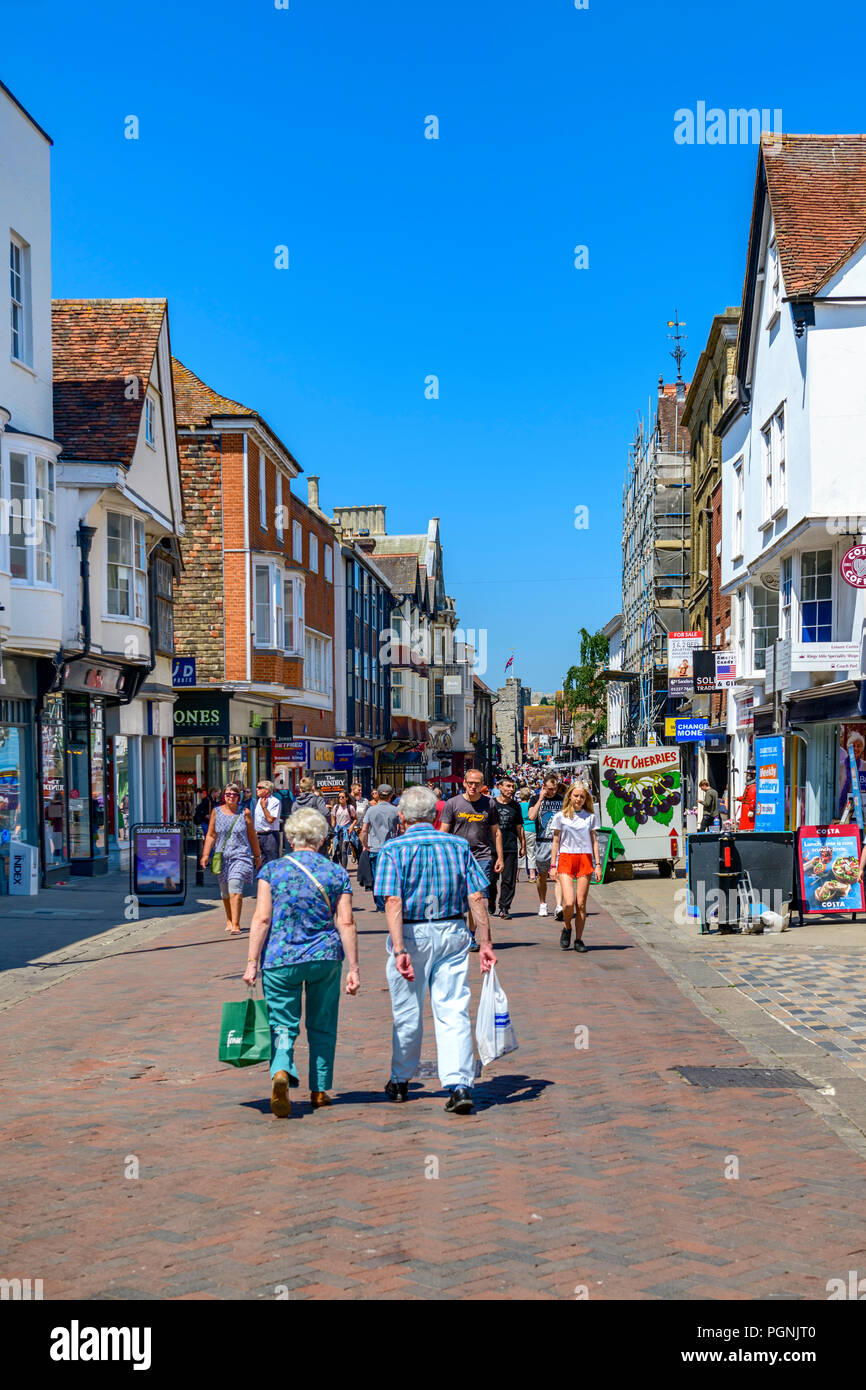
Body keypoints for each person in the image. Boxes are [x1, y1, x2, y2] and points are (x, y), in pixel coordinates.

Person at [374, 785, 496, 1115]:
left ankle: (400, 1080)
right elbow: (476, 897)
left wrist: (399, 947)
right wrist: (484, 941)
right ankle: (459, 1085)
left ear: (402, 817)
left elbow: (393, 900)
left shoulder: (392, 850)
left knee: (407, 1010)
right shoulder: (457, 846)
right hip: (452, 929)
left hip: (412, 931)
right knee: (453, 1007)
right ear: (434, 815)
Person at [243, 808, 360, 1116]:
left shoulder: (272, 870)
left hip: (281, 958)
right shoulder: (335, 872)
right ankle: (319, 1090)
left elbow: (262, 917)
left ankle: (281, 1068)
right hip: (324, 956)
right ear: (321, 839)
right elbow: (345, 922)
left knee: (282, 1022)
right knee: (323, 1024)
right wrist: (354, 967)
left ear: (291, 837)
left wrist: (252, 961)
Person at [440, 770, 504, 950]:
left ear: (483, 784)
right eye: (470, 783)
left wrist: (500, 857)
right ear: (464, 783)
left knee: (477, 899)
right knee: (459, 899)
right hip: (457, 857)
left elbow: (496, 832)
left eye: (477, 783)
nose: (473, 787)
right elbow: (444, 831)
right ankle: (459, 933)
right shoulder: (453, 804)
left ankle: (472, 936)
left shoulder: (489, 804)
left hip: (482, 857)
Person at [200, 783, 262, 934]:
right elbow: (211, 834)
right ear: (224, 796)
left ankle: (236, 924)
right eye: (228, 794)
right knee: (225, 892)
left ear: (238, 796)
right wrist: (206, 854)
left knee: (235, 887)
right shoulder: (216, 812)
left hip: (240, 855)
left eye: (234, 794)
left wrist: (257, 855)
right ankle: (229, 919)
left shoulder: (245, 812)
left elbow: (252, 835)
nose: (231, 797)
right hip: (222, 856)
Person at [550, 783, 602, 952]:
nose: (579, 799)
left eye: (582, 796)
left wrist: (598, 864)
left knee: (581, 903)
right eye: (576, 796)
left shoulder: (591, 817)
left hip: (584, 859)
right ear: (570, 796)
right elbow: (556, 841)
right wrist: (553, 865)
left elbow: (595, 841)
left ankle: (578, 939)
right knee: (569, 902)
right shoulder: (560, 816)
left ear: (586, 799)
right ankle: (567, 927)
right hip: (566, 858)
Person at [488, 776, 525, 919]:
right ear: (500, 787)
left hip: (510, 847)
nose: (511, 789)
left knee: (508, 880)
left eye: (512, 787)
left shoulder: (515, 806)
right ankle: (491, 899)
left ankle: (504, 907)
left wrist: (523, 845)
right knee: (491, 879)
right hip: (492, 848)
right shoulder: (491, 804)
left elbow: (519, 827)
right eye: (508, 786)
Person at [528, 773, 565, 919]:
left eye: (554, 789)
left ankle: (559, 906)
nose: (553, 792)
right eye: (549, 789)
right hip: (542, 841)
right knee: (542, 876)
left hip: (558, 842)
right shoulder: (535, 799)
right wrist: (541, 798)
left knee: (559, 876)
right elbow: (531, 816)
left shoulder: (561, 800)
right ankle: (543, 903)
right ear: (543, 787)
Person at [360, 784, 401, 910]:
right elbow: (403, 828)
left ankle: (380, 905)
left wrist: (365, 844)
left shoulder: (371, 810)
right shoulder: (395, 810)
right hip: (391, 848)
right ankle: (391, 900)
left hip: (375, 848)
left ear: (378, 794)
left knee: (376, 877)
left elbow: (364, 830)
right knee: (392, 876)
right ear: (390, 796)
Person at [254, 778, 283, 864]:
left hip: (270, 836)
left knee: (271, 862)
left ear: (267, 790)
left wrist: (264, 807)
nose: (257, 789)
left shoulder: (275, 802)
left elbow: (270, 820)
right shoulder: (259, 800)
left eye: (259, 787)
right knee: (260, 862)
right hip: (259, 835)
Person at [330, 789, 357, 868]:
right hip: (338, 830)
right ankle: (341, 866)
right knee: (337, 851)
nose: (340, 799)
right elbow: (333, 818)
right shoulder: (336, 807)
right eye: (339, 797)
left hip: (346, 830)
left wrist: (351, 826)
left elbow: (355, 818)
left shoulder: (350, 807)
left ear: (346, 798)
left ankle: (344, 869)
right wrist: (333, 825)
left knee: (344, 850)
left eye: (342, 797)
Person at [517, 788, 537, 883]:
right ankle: (532, 875)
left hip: (520, 829)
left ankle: (516, 876)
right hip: (532, 829)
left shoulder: (517, 806)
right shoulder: (531, 805)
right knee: (531, 852)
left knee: (519, 851)